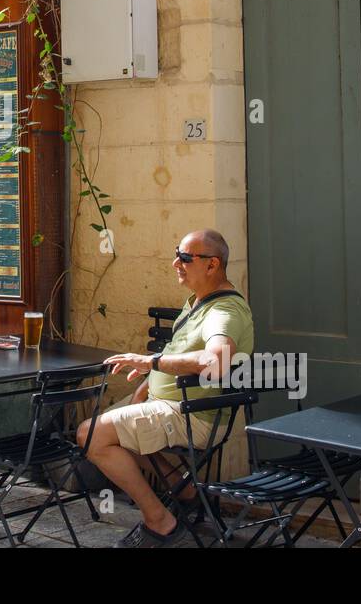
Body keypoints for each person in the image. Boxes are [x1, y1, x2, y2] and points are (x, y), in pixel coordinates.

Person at [77, 229, 254, 547]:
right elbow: (176, 353)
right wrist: (146, 386)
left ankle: (160, 522)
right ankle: (187, 493)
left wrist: (149, 363)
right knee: (111, 433)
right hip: (170, 405)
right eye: (178, 254)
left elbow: (216, 360)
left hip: (195, 416)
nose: (176, 263)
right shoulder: (198, 302)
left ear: (212, 265)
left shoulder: (224, 312)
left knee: (91, 435)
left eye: (186, 258)